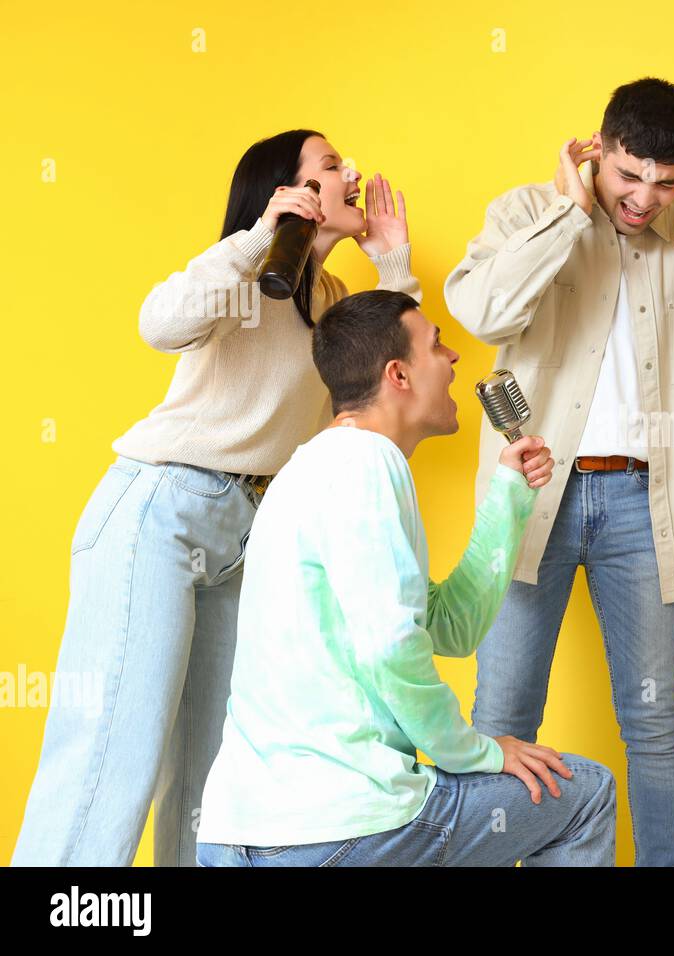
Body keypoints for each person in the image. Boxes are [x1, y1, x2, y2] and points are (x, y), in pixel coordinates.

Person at [12, 130, 420, 867]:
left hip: (243, 542)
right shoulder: (247, 275)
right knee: (114, 745)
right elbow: (158, 323)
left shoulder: (331, 302)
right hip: (162, 513)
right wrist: (260, 238)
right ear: (291, 191)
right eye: (333, 166)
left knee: (214, 766)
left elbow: (393, 386)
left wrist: (393, 265)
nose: (353, 173)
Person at [444, 76, 674, 865]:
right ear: (598, 149)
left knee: (655, 721)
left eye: (666, 182)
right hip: (533, 494)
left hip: (643, 502)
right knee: (502, 716)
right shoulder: (528, 211)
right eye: (630, 175)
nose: (645, 198)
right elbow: (483, 313)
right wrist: (569, 215)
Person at [196, 289, 616, 867]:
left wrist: (511, 496)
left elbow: (449, 628)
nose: (454, 357)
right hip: (338, 827)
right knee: (585, 794)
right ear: (398, 375)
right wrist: (475, 752)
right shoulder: (368, 464)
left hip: (235, 833)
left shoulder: (311, 466)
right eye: (437, 345)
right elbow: (391, 645)